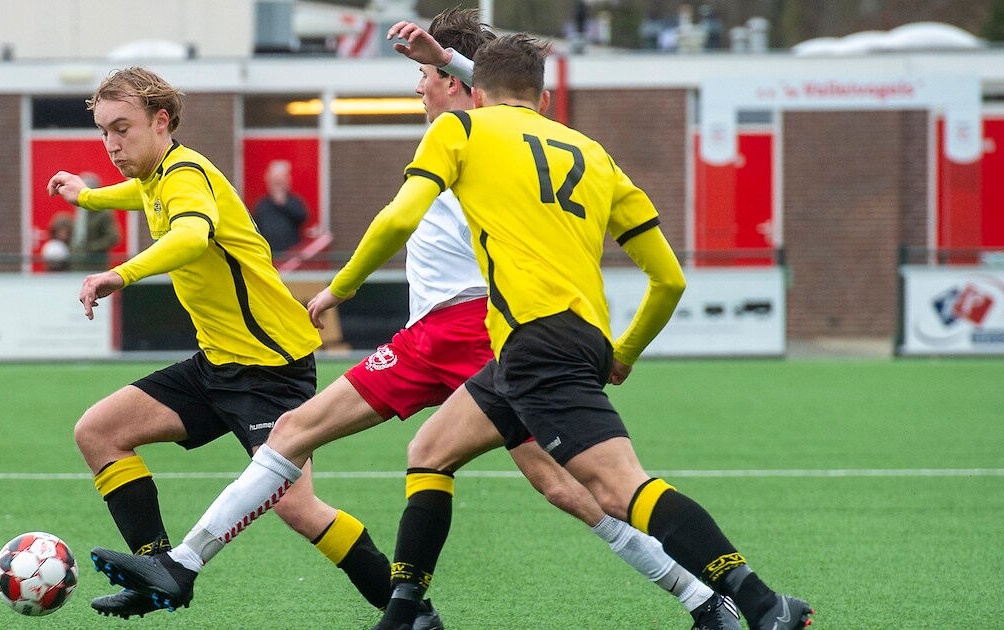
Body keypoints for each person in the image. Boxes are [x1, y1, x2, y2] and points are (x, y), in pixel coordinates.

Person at [87, 12, 738, 630]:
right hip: (487, 335)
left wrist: (340, 287)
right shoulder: (506, 132)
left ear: (458, 84)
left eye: (426, 75)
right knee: (556, 482)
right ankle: (705, 598)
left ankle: (183, 565)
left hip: (458, 331)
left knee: (303, 434)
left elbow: (431, 170)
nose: (419, 86)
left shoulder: (467, 130)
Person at [46, 67, 417, 625]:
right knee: (99, 431)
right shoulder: (158, 176)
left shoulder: (186, 174)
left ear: (161, 120)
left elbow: (191, 234)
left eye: (122, 128)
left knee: (298, 507)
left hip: (271, 369)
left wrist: (118, 275)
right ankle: (156, 572)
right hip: (218, 364)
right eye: (104, 132)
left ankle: (408, 611)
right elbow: (142, 196)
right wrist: (91, 198)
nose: (111, 144)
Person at [252, 160, 309, 254]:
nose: (277, 185)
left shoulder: (294, 202)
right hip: (269, 254)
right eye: (275, 182)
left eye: (280, 182)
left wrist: (283, 203)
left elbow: (302, 217)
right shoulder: (261, 205)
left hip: (291, 255)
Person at [69, 172, 121, 270]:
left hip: (96, 264)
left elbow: (114, 237)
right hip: (76, 263)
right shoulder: (79, 210)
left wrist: (91, 248)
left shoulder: (104, 212)